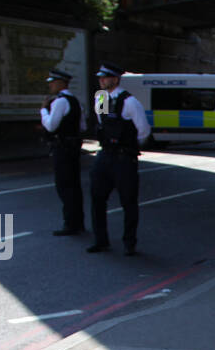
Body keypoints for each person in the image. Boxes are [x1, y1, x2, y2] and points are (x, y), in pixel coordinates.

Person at [87, 62, 150, 255]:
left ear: (115, 79)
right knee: (97, 198)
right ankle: (101, 240)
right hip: (105, 155)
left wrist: (127, 146)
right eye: (100, 77)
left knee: (128, 202)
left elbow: (144, 131)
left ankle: (129, 243)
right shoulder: (102, 99)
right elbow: (103, 124)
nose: (101, 80)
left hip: (124, 159)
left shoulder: (130, 102)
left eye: (104, 77)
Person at [39, 67, 84, 236]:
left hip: (62, 148)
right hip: (73, 147)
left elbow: (51, 125)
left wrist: (43, 109)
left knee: (64, 186)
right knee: (74, 185)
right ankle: (78, 222)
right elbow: (82, 126)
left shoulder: (59, 102)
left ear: (60, 83)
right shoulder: (76, 102)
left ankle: (70, 223)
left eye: (52, 82)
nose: (50, 86)